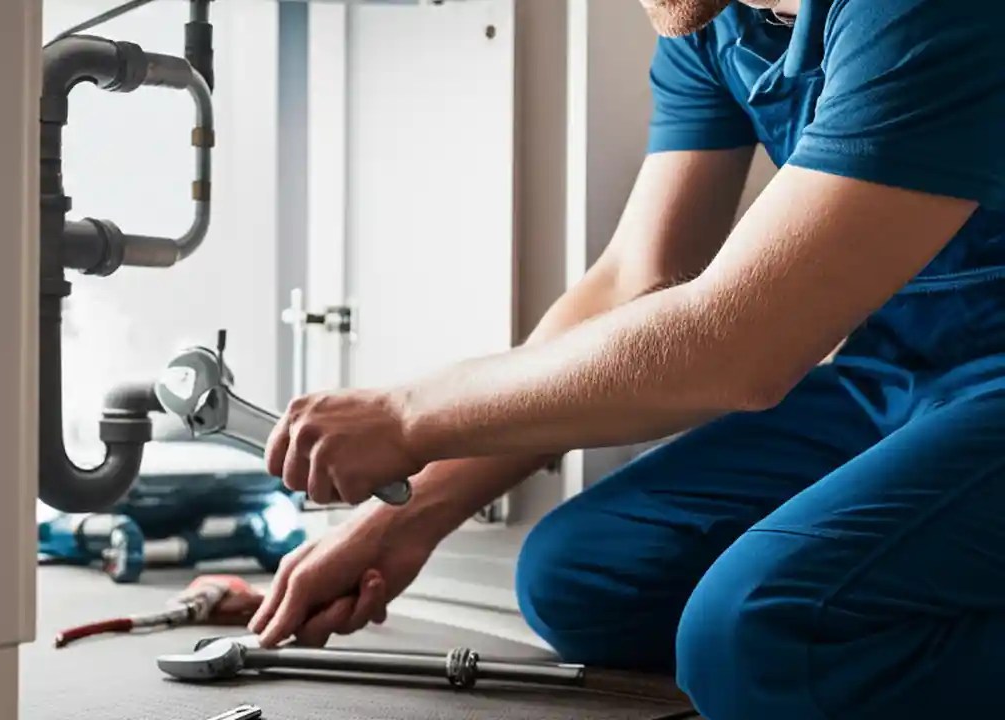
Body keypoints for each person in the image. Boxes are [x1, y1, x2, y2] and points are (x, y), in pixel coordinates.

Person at [252, 0, 1005, 717]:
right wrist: (408, 517)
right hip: (898, 373)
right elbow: (632, 282)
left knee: (752, 638)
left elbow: (739, 348)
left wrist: (409, 415)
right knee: (580, 580)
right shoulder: (714, 20)